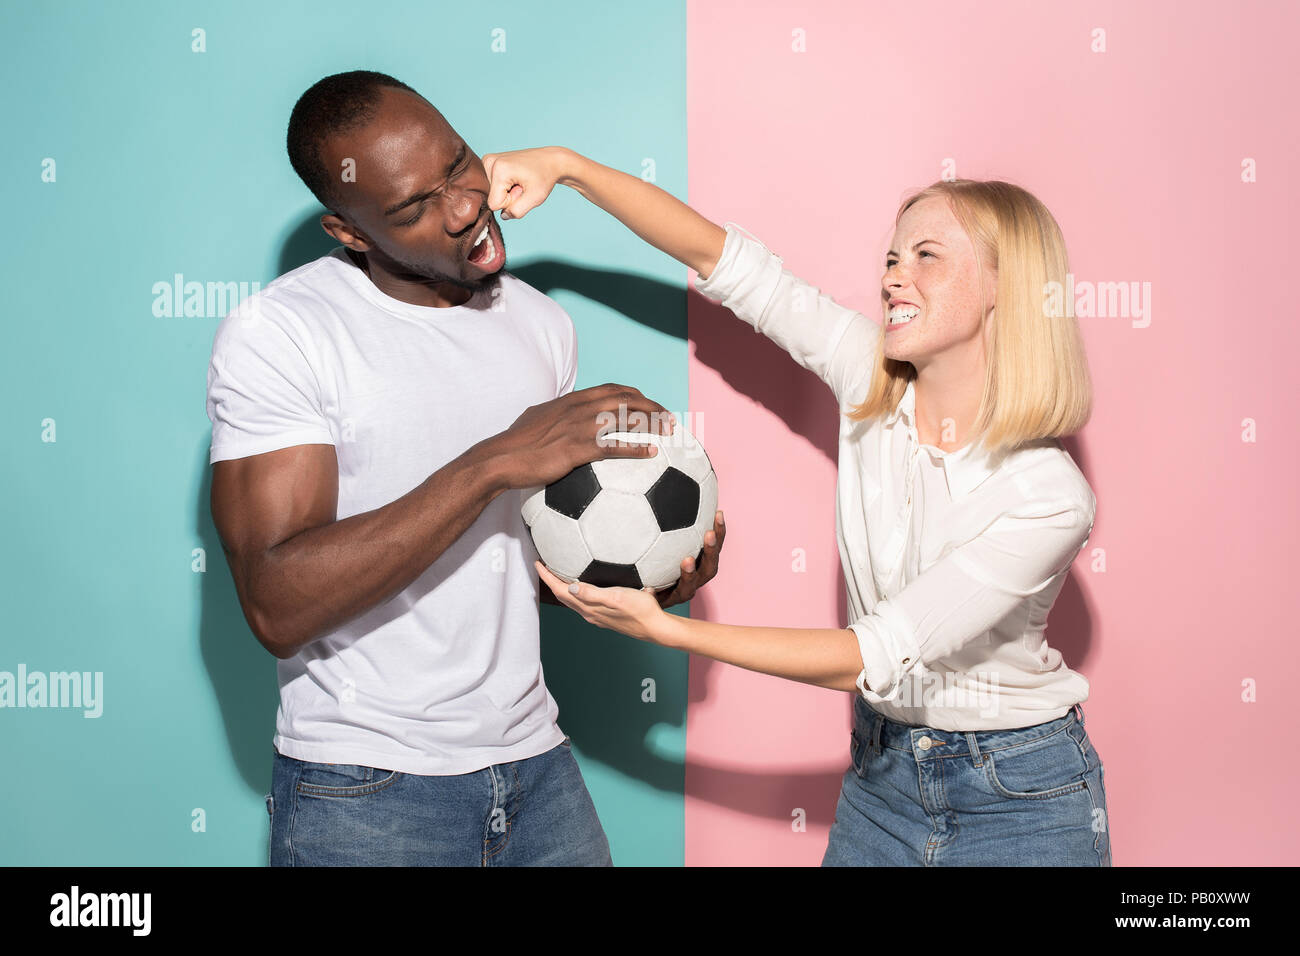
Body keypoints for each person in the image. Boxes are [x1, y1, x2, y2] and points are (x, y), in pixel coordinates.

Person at [492, 146, 1111, 866]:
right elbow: (730, 265)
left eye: (926, 256)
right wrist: (569, 169)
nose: (892, 278)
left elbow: (871, 655)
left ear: (1010, 285)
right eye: (890, 258)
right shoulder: (869, 377)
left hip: (1020, 796)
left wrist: (665, 633)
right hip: (882, 775)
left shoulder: (1049, 497)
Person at [204, 72, 725, 867]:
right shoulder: (284, 334)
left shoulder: (542, 326)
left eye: (458, 165)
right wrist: (492, 461)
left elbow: (515, 567)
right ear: (349, 232)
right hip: (365, 788)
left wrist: (646, 576)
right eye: (414, 207)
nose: (462, 207)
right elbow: (276, 601)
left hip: (535, 763)